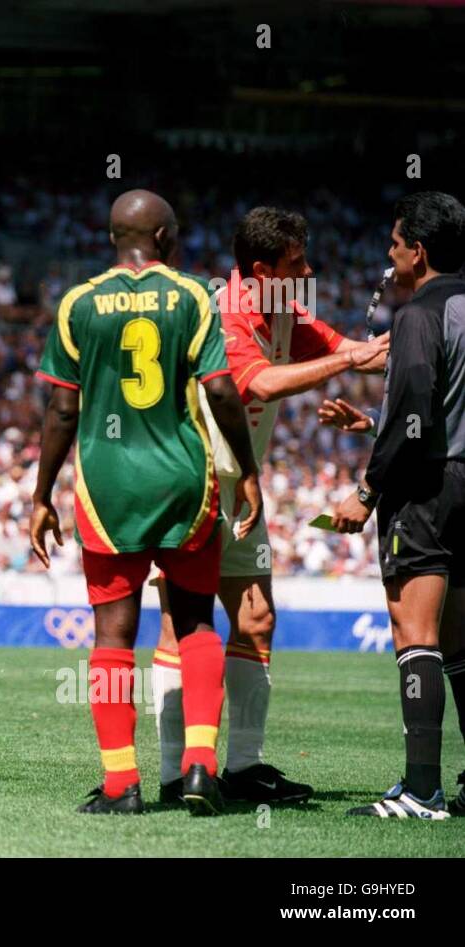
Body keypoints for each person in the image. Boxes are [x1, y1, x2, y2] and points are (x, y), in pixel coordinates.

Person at [30, 189, 263, 815]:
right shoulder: (193, 295)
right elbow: (221, 390)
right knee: (194, 623)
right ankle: (199, 771)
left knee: (112, 634)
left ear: (114, 238)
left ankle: (120, 786)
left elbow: (61, 407)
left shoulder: (78, 302)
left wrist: (41, 493)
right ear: (163, 237)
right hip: (184, 480)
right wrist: (247, 470)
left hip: (106, 486)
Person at [150, 207, 388, 804]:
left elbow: (357, 348)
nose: (308, 270)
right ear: (262, 269)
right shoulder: (224, 314)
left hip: (243, 487)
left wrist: (430, 342)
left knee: (255, 618)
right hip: (193, 485)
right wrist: (346, 362)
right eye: (297, 263)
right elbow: (259, 384)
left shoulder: (284, 309)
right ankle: (173, 773)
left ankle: (245, 768)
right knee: (181, 626)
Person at [333, 191, 465, 819]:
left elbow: (416, 409)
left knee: (416, 633)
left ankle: (421, 789)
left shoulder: (416, 314)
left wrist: (367, 491)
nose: (388, 255)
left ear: (418, 249)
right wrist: (376, 421)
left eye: (394, 244)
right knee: (461, 643)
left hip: (428, 488)